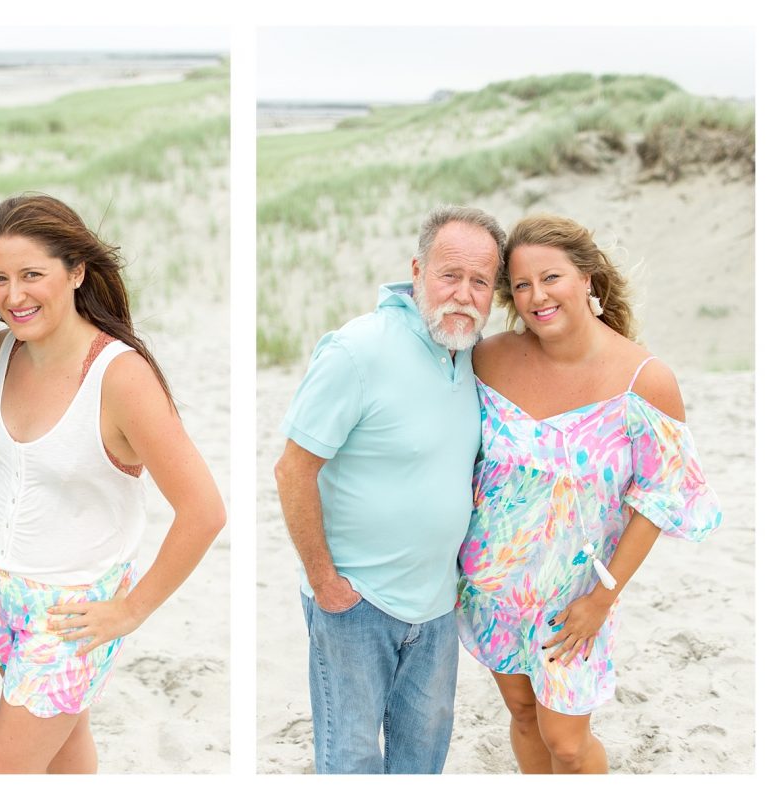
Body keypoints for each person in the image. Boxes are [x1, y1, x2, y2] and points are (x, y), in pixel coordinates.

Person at [0, 193, 225, 773]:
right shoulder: (0, 351)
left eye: (33, 274)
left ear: (76, 271)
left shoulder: (120, 377)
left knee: (4, 771)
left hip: (72, 614)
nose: (13, 296)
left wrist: (130, 611)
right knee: (66, 750)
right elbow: (10, 459)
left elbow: (204, 510)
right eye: (0, 278)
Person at [457, 214, 720, 774]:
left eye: (551, 278)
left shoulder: (643, 379)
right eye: (522, 285)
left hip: (576, 597)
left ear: (588, 278)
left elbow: (662, 496)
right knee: (524, 715)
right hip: (492, 585)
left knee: (570, 745)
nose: (537, 296)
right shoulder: (487, 358)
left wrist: (603, 598)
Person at [273, 205, 505, 773]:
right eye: (450, 274)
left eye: (481, 282)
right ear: (418, 269)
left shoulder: (472, 357)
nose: (464, 294)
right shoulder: (358, 350)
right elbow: (291, 470)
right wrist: (327, 585)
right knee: (350, 765)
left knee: (421, 765)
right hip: (356, 603)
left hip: (436, 610)